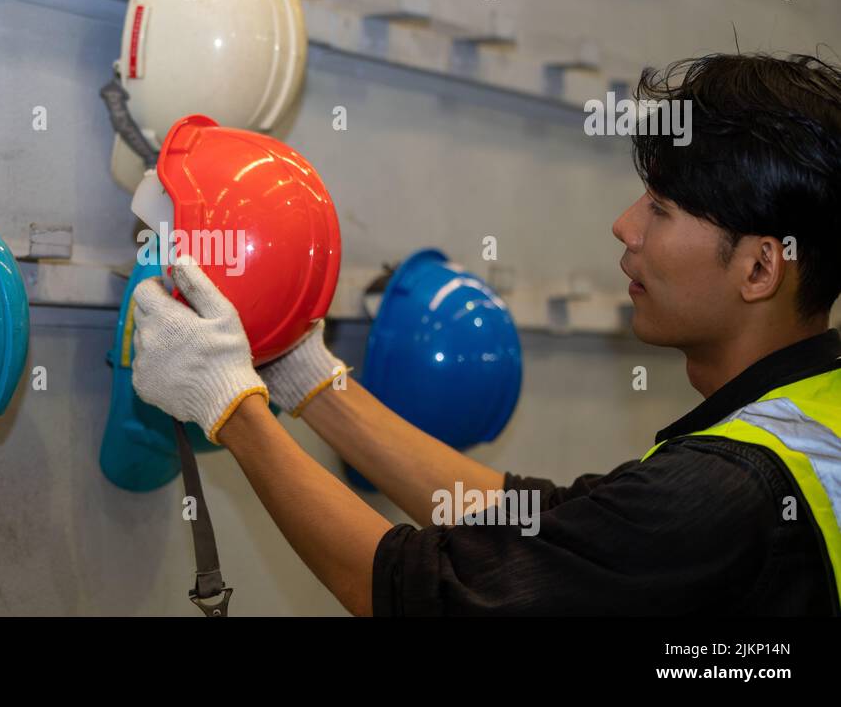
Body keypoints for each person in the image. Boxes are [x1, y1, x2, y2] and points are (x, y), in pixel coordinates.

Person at [130, 52, 841, 616]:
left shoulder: (725, 493)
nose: (625, 226)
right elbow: (535, 521)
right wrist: (309, 380)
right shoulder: (807, 422)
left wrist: (232, 406)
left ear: (758, 266)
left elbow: (419, 597)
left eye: (660, 207)